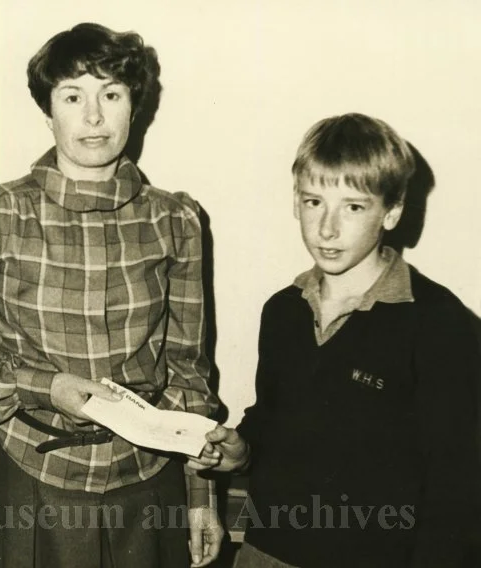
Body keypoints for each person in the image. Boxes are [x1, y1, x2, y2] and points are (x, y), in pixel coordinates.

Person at [0, 22, 223, 568]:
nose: (94, 117)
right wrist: (45, 386)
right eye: (73, 96)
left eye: (111, 94)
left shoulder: (176, 219)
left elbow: (188, 371)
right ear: (48, 108)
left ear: (136, 106)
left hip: (147, 483)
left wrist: (201, 495)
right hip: (26, 478)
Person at [193, 113, 480, 567]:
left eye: (353, 207)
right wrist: (242, 449)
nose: (327, 228)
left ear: (392, 210)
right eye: (313, 202)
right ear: (295, 202)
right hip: (266, 551)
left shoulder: (438, 324)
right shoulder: (283, 309)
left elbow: (456, 487)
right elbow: (275, 415)